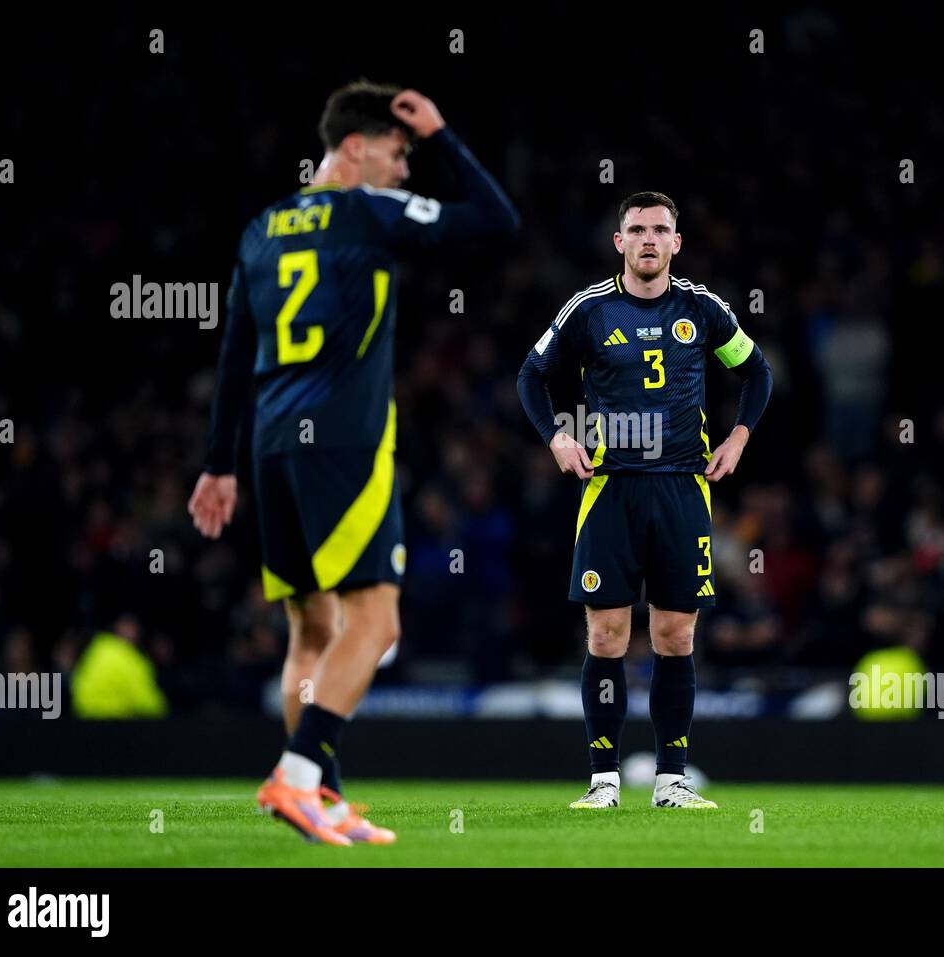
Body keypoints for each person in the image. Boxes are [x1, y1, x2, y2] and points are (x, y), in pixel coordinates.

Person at [189, 81, 518, 844]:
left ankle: (323, 796)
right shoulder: (367, 210)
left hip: (271, 448)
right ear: (357, 147)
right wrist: (440, 135)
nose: (406, 170)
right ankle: (297, 776)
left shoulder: (261, 228)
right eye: (400, 155)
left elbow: (236, 353)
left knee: (312, 626)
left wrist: (218, 463)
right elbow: (497, 221)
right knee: (375, 618)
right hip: (343, 441)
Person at [517, 192, 772, 809]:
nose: (649, 239)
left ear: (677, 242)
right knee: (605, 636)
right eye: (637, 229)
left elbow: (757, 372)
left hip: (684, 486)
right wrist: (556, 437)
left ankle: (671, 780)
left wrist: (738, 437)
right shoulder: (588, 310)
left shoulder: (703, 309)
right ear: (620, 243)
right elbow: (531, 375)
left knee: (675, 636)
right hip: (611, 487)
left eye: (661, 229)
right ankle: (604, 780)